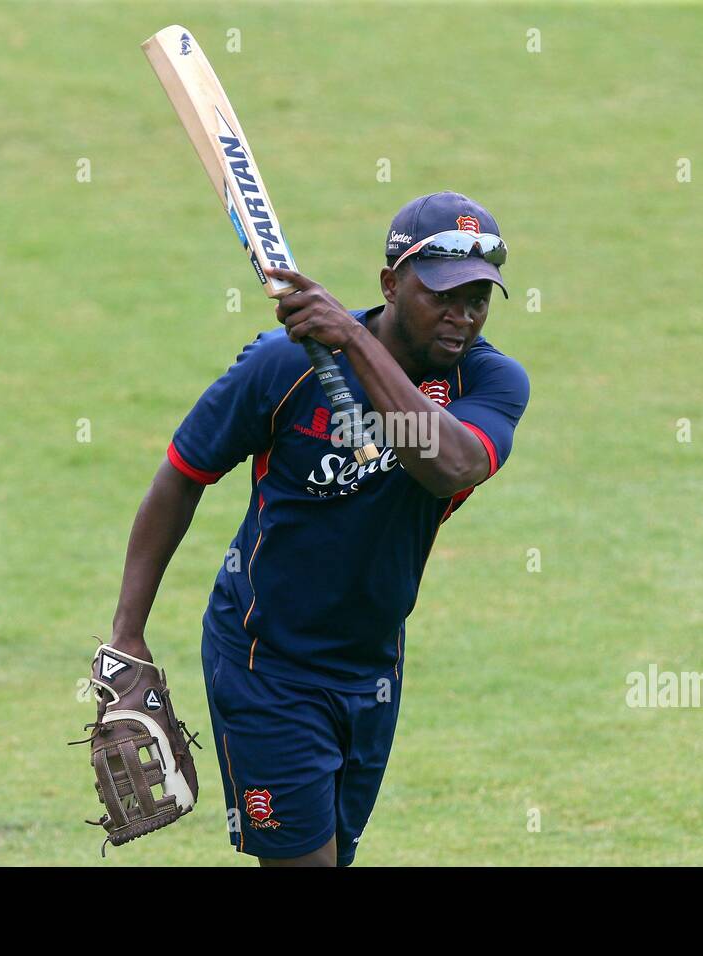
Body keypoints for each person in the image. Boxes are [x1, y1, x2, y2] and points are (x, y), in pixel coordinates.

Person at [107, 191, 530, 866]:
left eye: (478, 297)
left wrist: (355, 340)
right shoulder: (284, 366)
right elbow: (182, 474)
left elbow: (449, 463)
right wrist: (127, 638)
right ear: (391, 283)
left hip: (371, 668)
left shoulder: (491, 383)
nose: (463, 316)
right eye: (443, 295)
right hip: (265, 662)